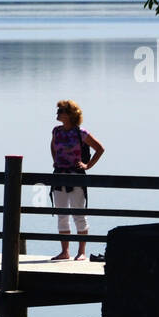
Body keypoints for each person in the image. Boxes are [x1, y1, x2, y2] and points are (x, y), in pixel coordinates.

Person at [50, 100, 104, 261]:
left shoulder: (81, 133)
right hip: (59, 175)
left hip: (76, 176)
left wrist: (87, 166)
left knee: (79, 214)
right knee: (61, 215)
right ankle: (65, 251)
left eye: (61, 111)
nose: (57, 113)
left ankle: (81, 252)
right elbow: (53, 146)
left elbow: (100, 149)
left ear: (70, 114)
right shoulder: (56, 131)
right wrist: (55, 160)